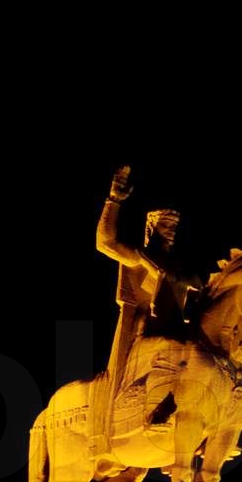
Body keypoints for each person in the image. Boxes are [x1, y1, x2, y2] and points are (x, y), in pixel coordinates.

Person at [89, 167, 189, 450]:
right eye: (166, 228)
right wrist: (114, 200)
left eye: (173, 229)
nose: (170, 234)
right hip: (143, 324)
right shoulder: (137, 257)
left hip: (174, 323)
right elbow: (104, 242)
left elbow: (197, 284)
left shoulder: (177, 267)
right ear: (152, 229)